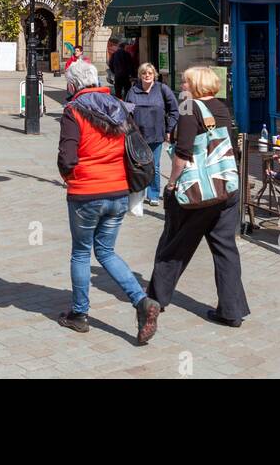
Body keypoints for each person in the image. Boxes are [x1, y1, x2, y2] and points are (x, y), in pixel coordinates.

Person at [56, 59, 161, 344]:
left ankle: (80, 314)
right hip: (118, 191)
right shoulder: (118, 106)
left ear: (72, 85)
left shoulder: (73, 110)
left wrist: (70, 178)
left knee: (81, 253)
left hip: (87, 191)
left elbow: (67, 157)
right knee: (106, 252)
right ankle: (141, 301)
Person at [147, 65, 250, 329]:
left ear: (196, 86)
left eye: (185, 82)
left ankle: (156, 299)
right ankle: (232, 310)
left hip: (197, 190)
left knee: (175, 244)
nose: (182, 86)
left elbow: (183, 153)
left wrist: (170, 184)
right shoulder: (222, 108)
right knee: (225, 249)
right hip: (226, 187)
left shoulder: (189, 109)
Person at [124, 62, 179, 207]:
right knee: (139, 165)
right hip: (137, 136)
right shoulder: (133, 91)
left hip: (156, 134)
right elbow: (126, 112)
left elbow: (174, 110)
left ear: (154, 75)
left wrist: (169, 129)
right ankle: (139, 192)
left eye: (150, 73)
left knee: (154, 166)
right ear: (140, 75)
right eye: (144, 73)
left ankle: (153, 194)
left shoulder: (162, 89)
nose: (147, 75)